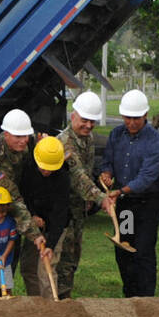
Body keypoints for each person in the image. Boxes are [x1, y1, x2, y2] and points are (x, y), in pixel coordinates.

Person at [99, 89, 159, 297]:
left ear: (145, 115)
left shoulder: (155, 141)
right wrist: (107, 173)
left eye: (136, 118)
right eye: (127, 118)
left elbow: (147, 177)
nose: (132, 122)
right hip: (126, 205)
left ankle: (146, 298)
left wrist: (119, 190)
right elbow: (107, 160)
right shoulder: (116, 135)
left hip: (147, 204)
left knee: (143, 250)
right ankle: (130, 295)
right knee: (124, 246)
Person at [56, 92, 113, 299]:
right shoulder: (65, 143)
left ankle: (65, 297)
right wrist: (100, 198)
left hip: (78, 210)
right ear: (73, 116)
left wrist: (90, 198)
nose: (89, 125)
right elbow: (78, 176)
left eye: (92, 121)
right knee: (63, 259)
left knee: (73, 258)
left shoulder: (86, 139)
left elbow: (87, 172)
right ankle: (58, 303)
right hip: (62, 212)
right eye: (84, 120)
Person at [0, 108, 50, 293]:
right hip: (2, 208)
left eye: (26, 136)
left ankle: (22, 298)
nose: (23, 140)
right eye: (18, 137)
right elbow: (13, 199)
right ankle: (0, 298)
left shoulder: (29, 142)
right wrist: (34, 232)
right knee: (4, 257)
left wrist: (43, 148)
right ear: (6, 134)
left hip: (26, 199)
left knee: (24, 263)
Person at [19, 135, 72, 283]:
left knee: (46, 270)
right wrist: (33, 216)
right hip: (34, 223)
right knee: (28, 268)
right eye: (43, 168)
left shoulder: (63, 177)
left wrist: (51, 245)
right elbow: (24, 196)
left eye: (51, 169)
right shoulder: (28, 167)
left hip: (55, 225)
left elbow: (60, 213)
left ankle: (50, 304)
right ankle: (36, 305)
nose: (46, 172)